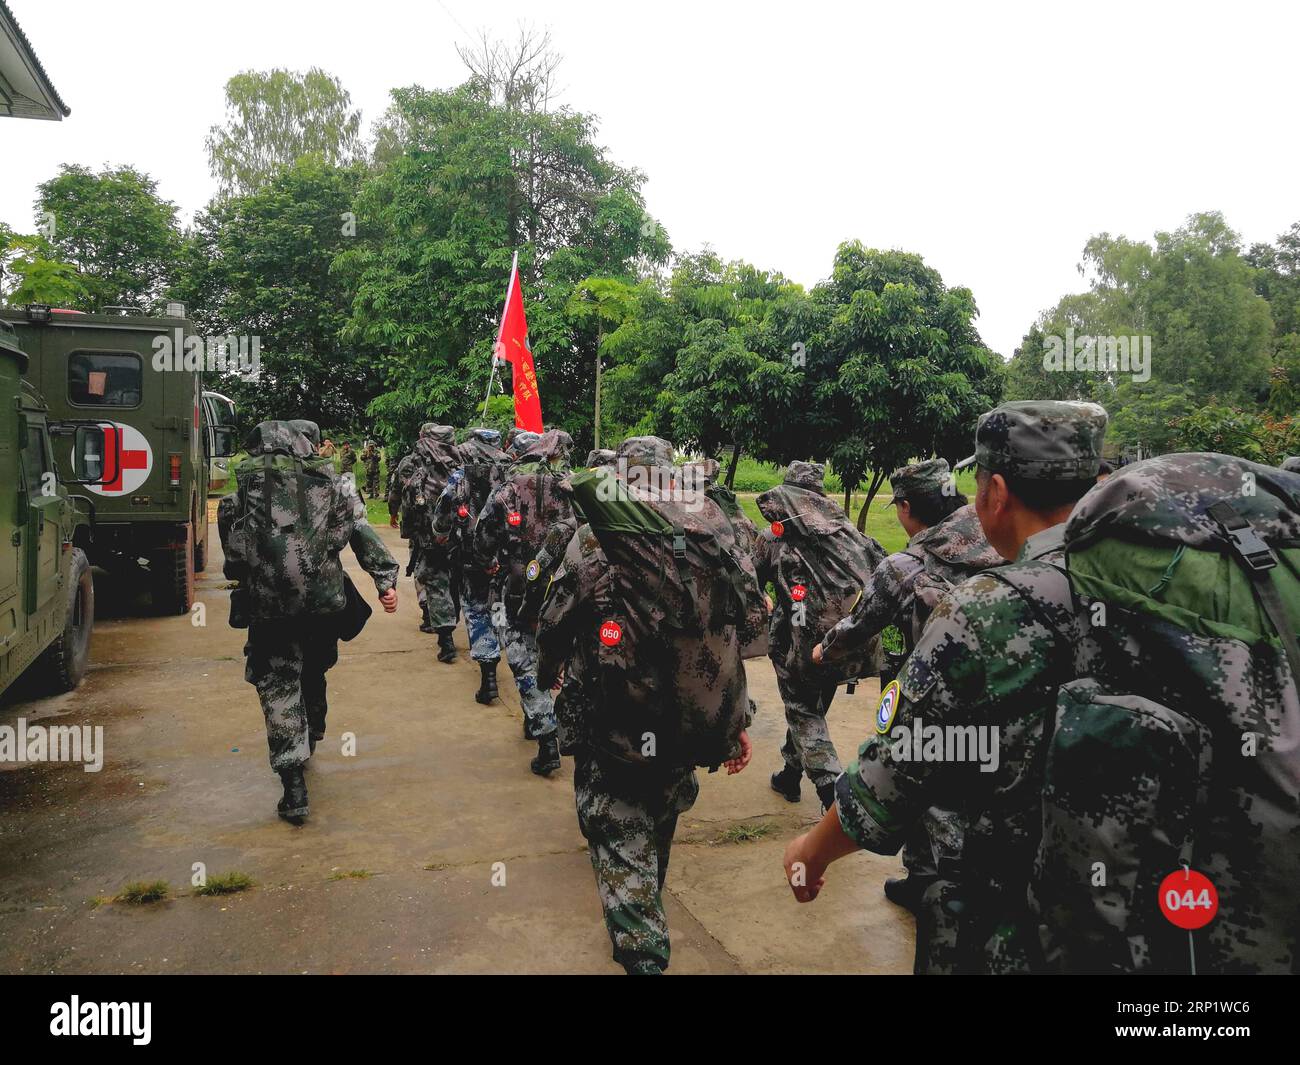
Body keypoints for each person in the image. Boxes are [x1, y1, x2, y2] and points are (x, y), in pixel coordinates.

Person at [782, 399, 1110, 972]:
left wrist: (813, 850)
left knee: (948, 874)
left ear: (995, 493)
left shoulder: (983, 607)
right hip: (1117, 884)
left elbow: (895, 772)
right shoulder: (1141, 580)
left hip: (1009, 895)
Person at [537, 436, 762, 974]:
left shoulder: (595, 541)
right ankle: (643, 906)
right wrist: (736, 719)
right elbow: (732, 635)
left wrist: (549, 674)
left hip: (617, 726)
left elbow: (553, 620)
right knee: (656, 824)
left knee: (618, 835)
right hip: (689, 725)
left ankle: (644, 955)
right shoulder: (717, 536)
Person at [812, 458, 1004, 911]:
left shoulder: (905, 566)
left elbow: (859, 625)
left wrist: (823, 649)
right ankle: (921, 877)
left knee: (934, 796)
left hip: (934, 705)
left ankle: (956, 899)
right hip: (1011, 694)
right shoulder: (1006, 540)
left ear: (904, 506)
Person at [219, 420, 399, 824]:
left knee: (279, 685)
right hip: (323, 604)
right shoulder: (335, 484)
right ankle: (314, 728)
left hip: (269, 609)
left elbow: (233, 556)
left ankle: (293, 785)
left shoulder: (241, 493)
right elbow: (359, 531)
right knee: (315, 667)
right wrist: (385, 581)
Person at [753, 461, 886, 812]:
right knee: (812, 704)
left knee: (802, 711)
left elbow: (750, 581)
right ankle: (789, 773)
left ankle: (833, 794)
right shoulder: (848, 534)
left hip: (798, 642)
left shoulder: (775, 536)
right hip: (846, 642)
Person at [473, 428, 575, 773]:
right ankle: (548, 722)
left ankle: (547, 740)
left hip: (517, 590)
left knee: (522, 658)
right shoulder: (572, 485)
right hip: (567, 592)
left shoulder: (506, 489)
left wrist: (490, 564)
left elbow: (483, 538)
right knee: (565, 656)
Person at [432, 427, 510, 701]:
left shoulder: (462, 474)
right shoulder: (512, 471)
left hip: (470, 555)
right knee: (501, 604)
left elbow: (443, 507)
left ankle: (488, 674)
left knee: (477, 611)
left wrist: (441, 534)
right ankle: (505, 653)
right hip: (505, 556)